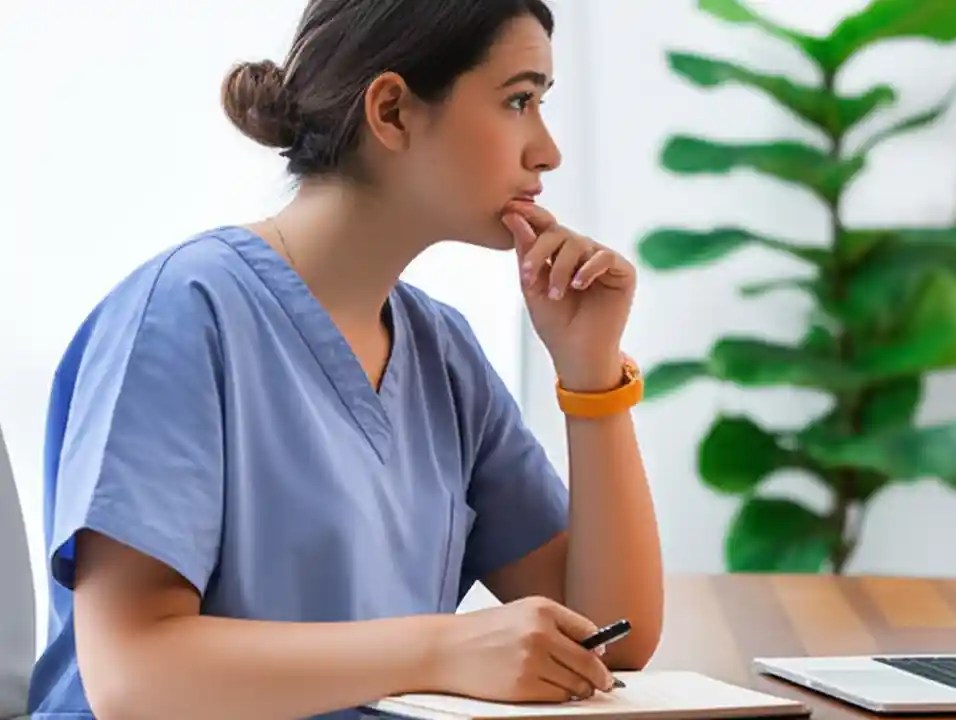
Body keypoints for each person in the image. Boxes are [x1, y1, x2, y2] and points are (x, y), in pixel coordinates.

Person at [26, 1, 664, 717]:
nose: (547, 150)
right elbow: (134, 675)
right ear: (392, 112)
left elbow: (613, 635)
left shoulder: (443, 355)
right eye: (519, 100)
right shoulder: (182, 314)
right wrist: (442, 650)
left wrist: (591, 371)